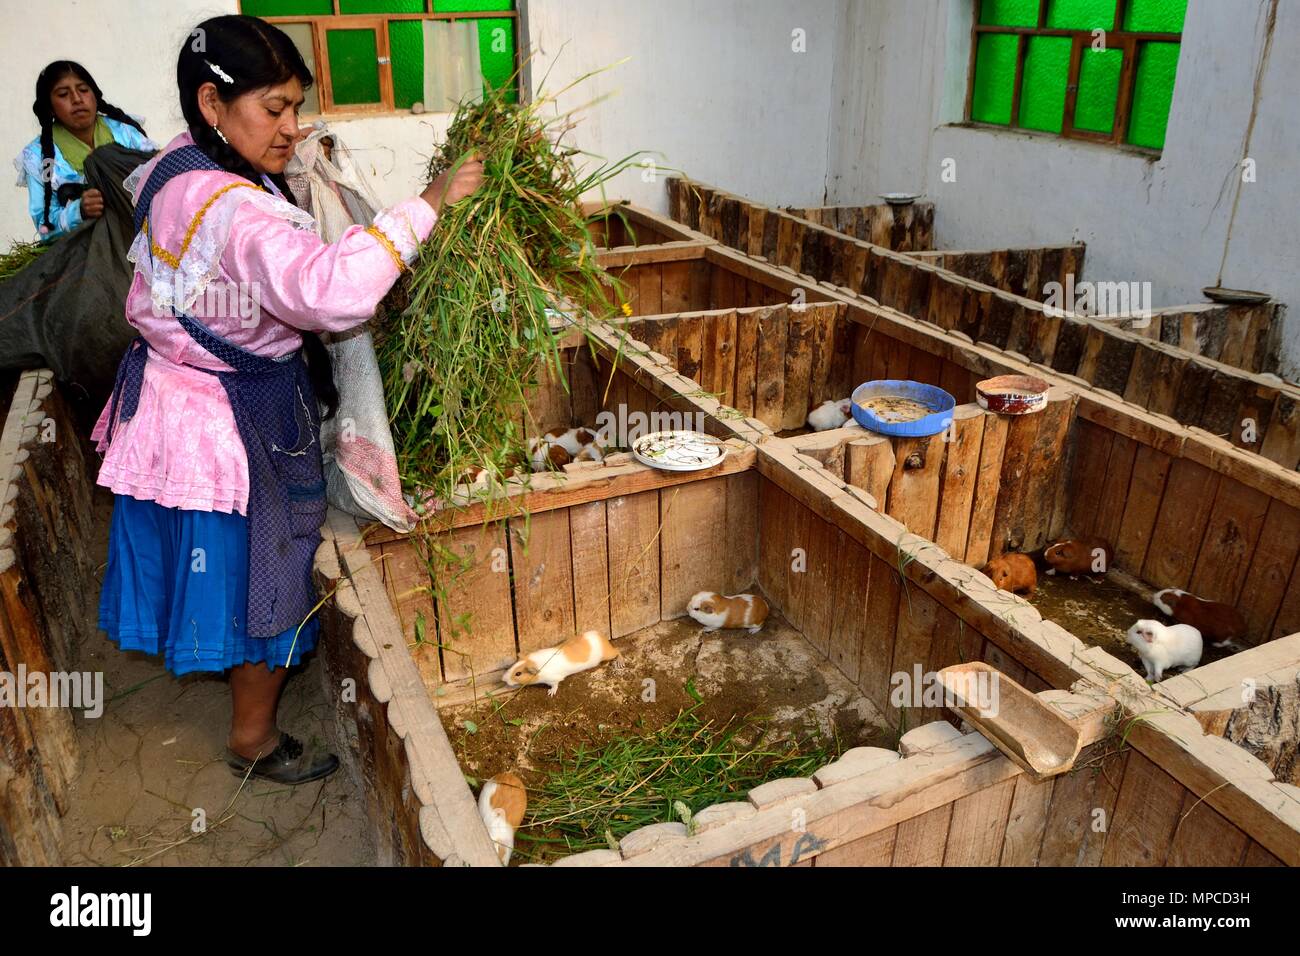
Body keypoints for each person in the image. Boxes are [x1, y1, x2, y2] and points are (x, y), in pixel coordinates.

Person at [92, 15, 483, 785]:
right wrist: (429, 201)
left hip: (174, 396)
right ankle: (254, 740)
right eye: (275, 110)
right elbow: (329, 293)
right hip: (228, 422)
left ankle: (241, 708)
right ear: (212, 103)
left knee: (216, 565)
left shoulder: (176, 165)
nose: (292, 129)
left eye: (297, 107)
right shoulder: (235, 209)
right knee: (264, 571)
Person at [15, 61, 156, 240]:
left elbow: (159, 173)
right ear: (49, 107)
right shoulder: (38, 158)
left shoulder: (125, 132)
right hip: (87, 249)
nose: (77, 99)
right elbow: (45, 227)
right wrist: (78, 211)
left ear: (95, 95)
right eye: (63, 94)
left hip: (143, 235)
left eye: (83, 90)